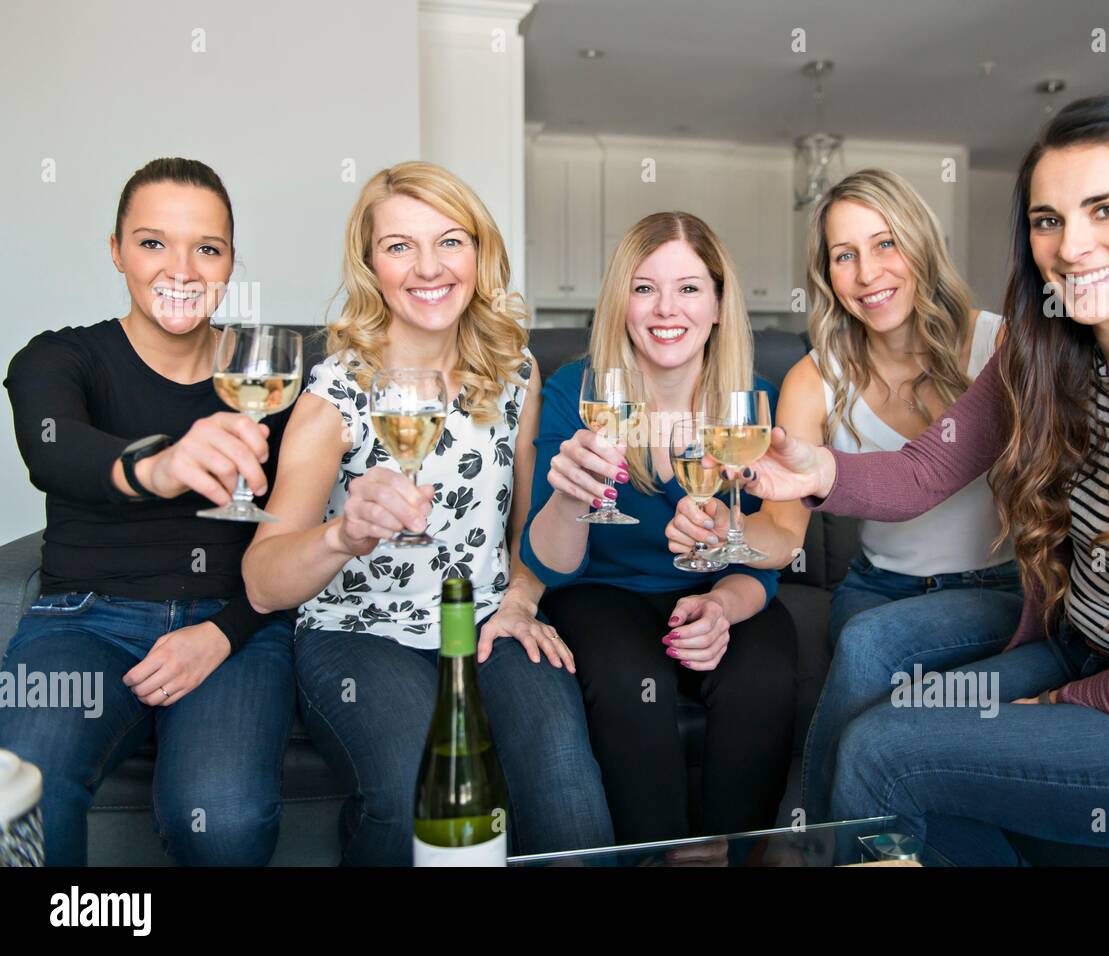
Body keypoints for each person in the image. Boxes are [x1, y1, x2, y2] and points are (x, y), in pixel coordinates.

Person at [736, 93, 1109, 866]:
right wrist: (816, 469)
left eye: (1106, 209)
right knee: (890, 721)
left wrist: (1068, 702)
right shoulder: (1045, 358)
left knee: (883, 755)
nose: (1073, 246)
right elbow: (925, 468)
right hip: (1078, 649)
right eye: (1048, 220)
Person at [241, 161, 613, 863]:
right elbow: (263, 579)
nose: (428, 267)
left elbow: (528, 533)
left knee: (566, 792)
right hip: (358, 633)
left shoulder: (515, 372)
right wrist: (342, 533)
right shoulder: (335, 394)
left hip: (485, 623)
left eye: (450, 241)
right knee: (414, 791)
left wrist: (523, 601)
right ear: (370, 265)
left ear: (478, 252)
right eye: (399, 246)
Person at [665, 169, 1024, 822]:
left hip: (996, 589)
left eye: (885, 244)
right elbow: (782, 537)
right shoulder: (814, 378)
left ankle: (812, 838)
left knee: (869, 663)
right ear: (826, 274)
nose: (867, 273)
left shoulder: (998, 346)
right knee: (869, 658)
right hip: (878, 589)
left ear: (920, 246)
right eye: (844, 255)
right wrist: (729, 537)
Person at [0, 158, 296, 865]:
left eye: (208, 248)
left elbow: (293, 538)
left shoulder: (272, 372)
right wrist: (155, 468)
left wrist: (222, 634)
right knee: (23, 796)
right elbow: (55, 451)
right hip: (85, 623)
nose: (182, 269)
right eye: (154, 242)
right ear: (116, 250)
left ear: (230, 261)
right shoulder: (59, 358)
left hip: (237, 625)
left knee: (225, 821)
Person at [522, 211, 796, 843]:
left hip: (722, 590)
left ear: (720, 305)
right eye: (644, 287)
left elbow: (771, 553)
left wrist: (724, 604)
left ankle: (736, 856)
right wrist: (567, 500)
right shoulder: (576, 391)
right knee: (627, 684)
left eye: (689, 288)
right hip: (602, 595)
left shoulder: (750, 405)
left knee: (764, 678)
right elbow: (551, 567)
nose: (665, 308)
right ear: (621, 303)